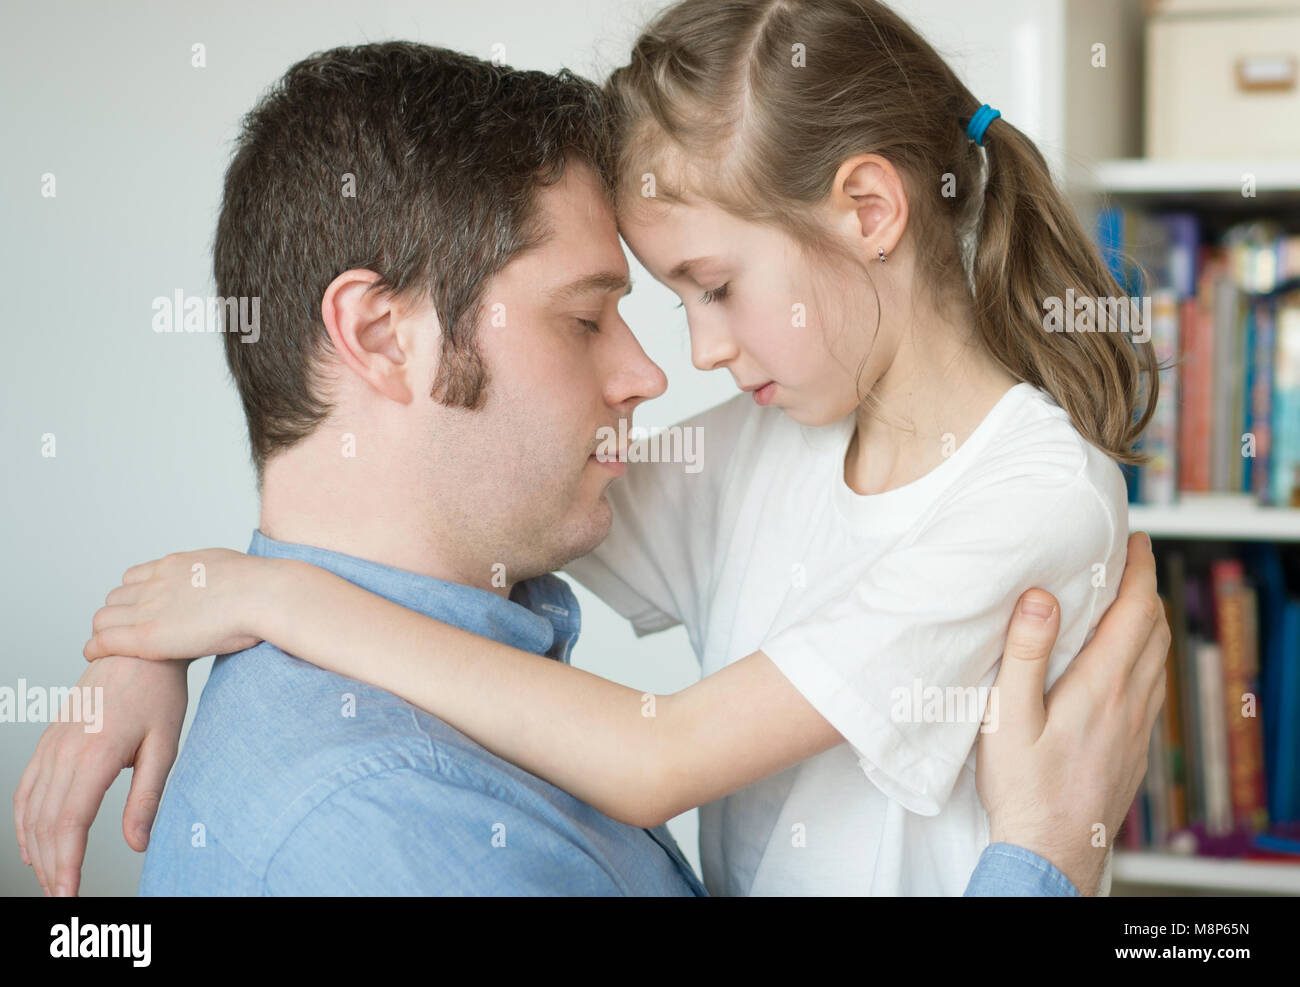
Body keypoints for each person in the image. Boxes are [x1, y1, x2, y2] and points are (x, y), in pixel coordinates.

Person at [18, 30, 1168, 896]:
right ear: (377, 336)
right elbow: (411, 528)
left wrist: (246, 598)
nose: (675, 364)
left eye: (710, 289)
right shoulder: (386, 822)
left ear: (870, 209)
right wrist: (163, 624)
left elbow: (646, 752)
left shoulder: (1025, 496)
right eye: (591, 317)